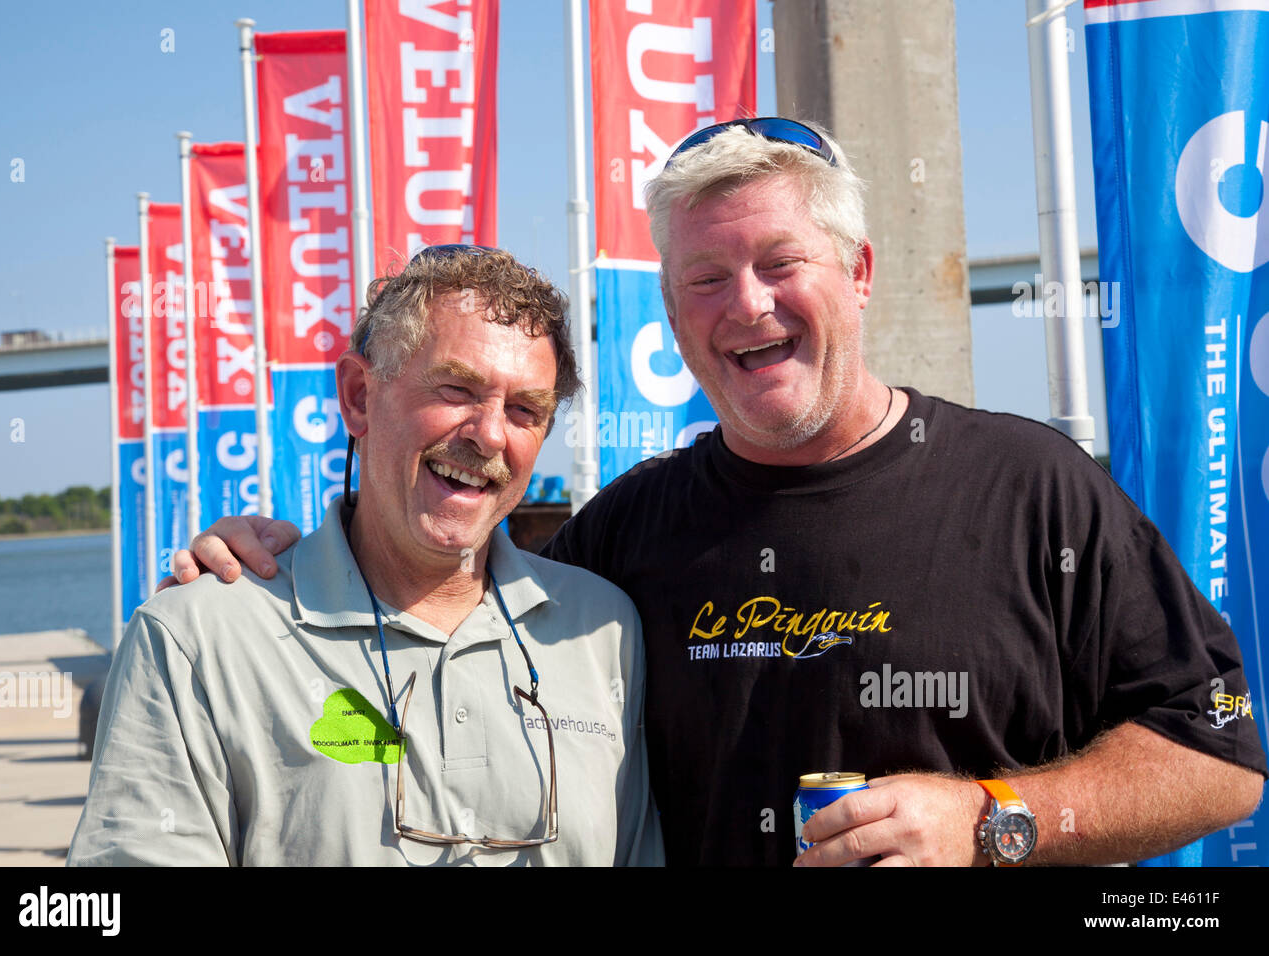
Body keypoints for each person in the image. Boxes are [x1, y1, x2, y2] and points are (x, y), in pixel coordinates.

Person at [172, 119, 1266, 867]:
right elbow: (429, 585)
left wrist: (991, 818)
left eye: (781, 262)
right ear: (671, 306)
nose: (747, 305)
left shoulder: (1034, 489)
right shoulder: (620, 538)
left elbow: (1218, 760)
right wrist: (260, 565)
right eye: (705, 277)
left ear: (861, 274)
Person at [70, 247, 662, 866]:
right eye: (457, 388)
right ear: (358, 396)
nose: (489, 434)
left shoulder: (603, 631)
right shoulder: (196, 640)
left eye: (525, 410)